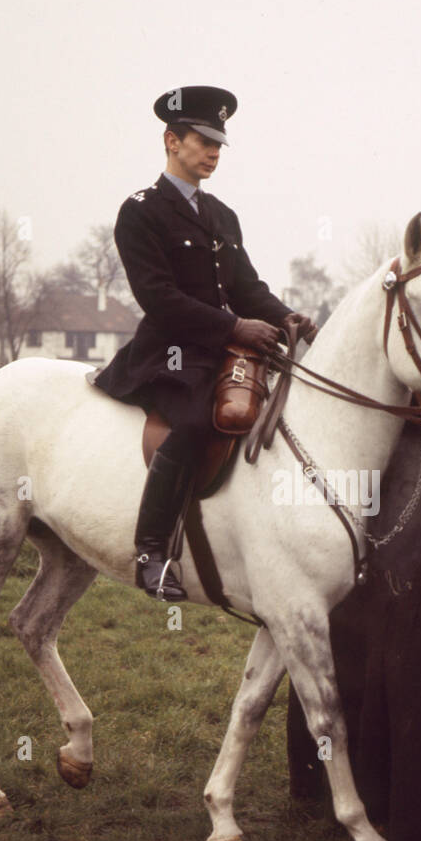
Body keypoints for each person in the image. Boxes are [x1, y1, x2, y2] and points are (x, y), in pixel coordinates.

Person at [93, 85, 313, 599]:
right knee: (195, 421)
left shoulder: (223, 216)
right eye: (203, 141)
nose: (214, 152)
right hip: (169, 353)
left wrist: (287, 317)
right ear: (172, 141)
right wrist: (233, 327)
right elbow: (159, 298)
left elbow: (246, 289)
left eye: (219, 144)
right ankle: (151, 553)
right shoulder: (141, 211)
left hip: (222, 350)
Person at [286, 418, 421, 841]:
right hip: (354, 552)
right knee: (342, 669)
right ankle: (342, 796)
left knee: (412, 691)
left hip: (413, 567)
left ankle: (418, 840)